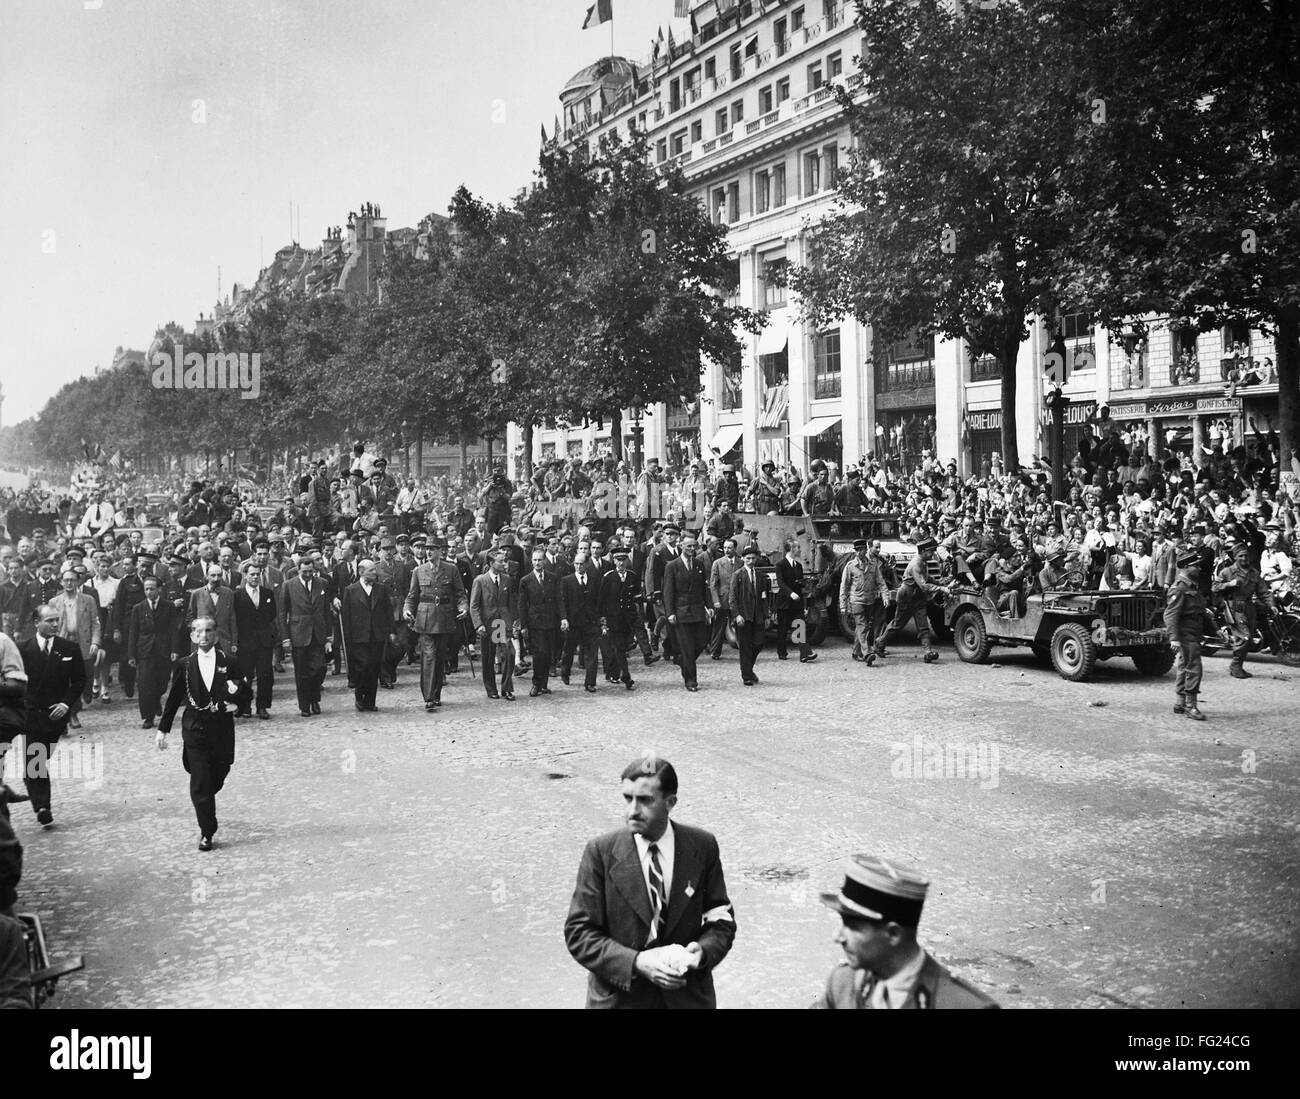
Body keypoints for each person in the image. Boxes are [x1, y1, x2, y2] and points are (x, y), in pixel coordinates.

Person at [563, 755, 736, 1009]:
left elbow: (721, 918)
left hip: (686, 1000)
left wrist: (702, 952)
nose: (632, 810)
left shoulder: (701, 846)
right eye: (627, 798)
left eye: (645, 800)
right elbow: (579, 933)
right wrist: (635, 962)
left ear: (670, 802)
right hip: (621, 1001)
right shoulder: (600, 852)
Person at [814, 854, 997, 1009]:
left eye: (853, 927)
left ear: (893, 934)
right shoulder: (843, 983)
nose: (837, 937)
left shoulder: (960, 1004)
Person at [156, 617, 251, 851]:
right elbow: (174, 698)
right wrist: (162, 729)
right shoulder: (184, 664)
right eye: (200, 631)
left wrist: (237, 707)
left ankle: (206, 797)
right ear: (192, 636)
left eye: (209, 631)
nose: (205, 635)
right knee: (200, 782)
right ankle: (207, 831)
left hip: (221, 730)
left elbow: (246, 694)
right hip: (194, 729)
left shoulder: (230, 661)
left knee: (219, 772)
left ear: (216, 635)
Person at [17, 605, 87, 827]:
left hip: (56, 717)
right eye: (50, 621)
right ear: (36, 622)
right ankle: (43, 807)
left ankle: (31, 780)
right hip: (31, 714)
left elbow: (79, 681)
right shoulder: (23, 649)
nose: (56, 625)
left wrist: (66, 704)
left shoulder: (69, 648)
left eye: (57, 620)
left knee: (39, 758)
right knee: (35, 759)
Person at [403, 536, 468, 712]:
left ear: (440, 551)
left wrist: (463, 607)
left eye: (432, 548)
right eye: (427, 548)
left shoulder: (451, 569)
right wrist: (407, 610)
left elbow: (460, 593)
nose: (429, 551)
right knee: (429, 656)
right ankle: (429, 697)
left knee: (440, 658)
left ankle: (436, 694)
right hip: (425, 620)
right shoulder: (419, 571)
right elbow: (412, 596)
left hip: (445, 618)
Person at [873, 538, 948, 664]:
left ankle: (928, 652)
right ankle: (879, 643)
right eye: (930, 551)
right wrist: (941, 588)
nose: (932, 554)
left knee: (923, 625)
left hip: (918, 597)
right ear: (923, 551)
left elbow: (926, 577)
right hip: (907, 596)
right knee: (897, 624)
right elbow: (923, 585)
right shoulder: (916, 564)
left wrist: (939, 582)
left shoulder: (923, 562)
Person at [662, 531, 715, 692]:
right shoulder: (672, 566)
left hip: (697, 611)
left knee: (701, 642)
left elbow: (704, 588)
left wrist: (710, 606)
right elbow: (668, 591)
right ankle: (691, 680)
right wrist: (670, 612)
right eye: (689, 546)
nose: (692, 549)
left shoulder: (699, 565)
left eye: (694, 546)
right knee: (687, 646)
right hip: (681, 612)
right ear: (681, 546)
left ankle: (680, 659)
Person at [1212, 542, 1275, 679]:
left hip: (1249, 608)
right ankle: (1235, 665)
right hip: (1234, 607)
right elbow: (1215, 587)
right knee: (1245, 637)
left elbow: (1263, 591)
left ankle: (1238, 666)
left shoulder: (1254, 573)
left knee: (1249, 637)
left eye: (1246, 555)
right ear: (1235, 557)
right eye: (1241, 556)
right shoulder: (1227, 571)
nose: (1244, 558)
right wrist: (1229, 584)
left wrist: (1272, 605)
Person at [124, 575, 180, 729]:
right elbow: (133, 633)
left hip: (163, 650)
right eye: (146, 589)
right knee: (145, 684)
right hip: (145, 651)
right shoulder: (138, 608)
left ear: (159, 589)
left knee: (162, 683)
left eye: (152, 589)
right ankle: (148, 717)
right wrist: (131, 655)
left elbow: (173, 630)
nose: (149, 592)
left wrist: (175, 649)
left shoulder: (168, 606)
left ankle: (156, 701)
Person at [340, 559, 395, 712]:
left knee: (374, 668)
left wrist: (391, 631)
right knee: (361, 668)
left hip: (377, 635)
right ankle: (359, 697)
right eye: (371, 570)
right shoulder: (350, 590)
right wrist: (348, 637)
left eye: (374, 570)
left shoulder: (381, 589)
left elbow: (388, 611)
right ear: (361, 571)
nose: (375, 573)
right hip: (359, 637)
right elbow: (347, 616)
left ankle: (370, 701)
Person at [279, 556, 330, 718]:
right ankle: (305, 705)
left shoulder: (322, 583)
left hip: (318, 633)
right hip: (298, 633)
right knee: (301, 672)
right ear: (298, 570)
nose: (308, 574)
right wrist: (286, 638)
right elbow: (282, 614)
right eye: (304, 572)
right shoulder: (288, 586)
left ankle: (314, 698)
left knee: (320, 668)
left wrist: (329, 635)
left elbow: (326, 611)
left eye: (311, 571)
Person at [50, 568, 100, 727]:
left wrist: (95, 642)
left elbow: (95, 623)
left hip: (82, 643)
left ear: (78, 582)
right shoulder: (54, 602)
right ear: (61, 582)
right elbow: (50, 625)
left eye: (72, 580)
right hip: (63, 643)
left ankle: (79, 703)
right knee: (65, 680)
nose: (69, 583)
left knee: (82, 678)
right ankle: (71, 715)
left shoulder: (88, 600)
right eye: (66, 580)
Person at [1165, 551, 1208, 720]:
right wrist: (1173, 638)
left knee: (1184, 665)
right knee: (1194, 667)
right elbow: (1170, 615)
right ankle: (1191, 706)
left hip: (1193, 629)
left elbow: (1198, 610)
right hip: (1185, 632)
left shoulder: (1191, 585)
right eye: (1195, 565)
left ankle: (1180, 702)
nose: (1198, 568)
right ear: (1184, 567)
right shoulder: (1180, 588)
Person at [469, 549, 516, 701]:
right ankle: (491, 688)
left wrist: (513, 623)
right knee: (488, 658)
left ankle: (507, 688)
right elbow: (474, 606)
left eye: (505, 561)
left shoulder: (507, 579)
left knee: (509, 653)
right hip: (488, 624)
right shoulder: (480, 581)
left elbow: (511, 604)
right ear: (491, 563)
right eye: (501, 561)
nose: (504, 564)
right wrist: (479, 625)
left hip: (502, 624)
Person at [232, 563, 278, 719]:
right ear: (245, 575)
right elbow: (235, 618)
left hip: (264, 640)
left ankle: (262, 706)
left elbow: (272, 614)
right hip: (245, 641)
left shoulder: (267, 593)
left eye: (257, 574)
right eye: (252, 574)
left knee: (265, 675)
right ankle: (244, 706)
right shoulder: (237, 595)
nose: (255, 577)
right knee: (245, 676)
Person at [517, 546, 561, 698]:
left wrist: (562, 618)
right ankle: (536, 683)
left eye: (540, 560)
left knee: (548, 654)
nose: (537, 563)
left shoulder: (552, 577)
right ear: (531, 561)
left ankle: (544, 684)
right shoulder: (526, 580)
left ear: (544, 561)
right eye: (534, 560)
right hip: (534, 623)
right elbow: (522, 605)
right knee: (539, 653)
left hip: (550, 622)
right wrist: (523, 626)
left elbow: (558, 600)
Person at [559, 547, 602, 692]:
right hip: (573, 623)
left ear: (587, 564)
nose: (578, 566)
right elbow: (563, 602)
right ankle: (565, 672)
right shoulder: (567, 581)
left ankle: (590, 682)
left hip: (590, 623)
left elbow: (598, 601)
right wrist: (564, 618)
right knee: (569, 650)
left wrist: (599, 618)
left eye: (581, 564)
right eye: (576, 564)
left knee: (592, 654)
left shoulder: (594, 580)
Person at [839, 538, 888, 664]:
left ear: (866, 550)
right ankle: (867, 653)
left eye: (862, 549)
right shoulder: (850, 566)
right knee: (863, 626)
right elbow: (844, 587)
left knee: (862, 628)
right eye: (858, 550)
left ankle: (856, 652)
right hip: (856, 601)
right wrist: (843, 605)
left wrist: (885, 596)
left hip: (869, 601)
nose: (860, 552)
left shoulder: (873, 565)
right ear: (855, 552)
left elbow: (881, 582)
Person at [598, 549, 641, 691]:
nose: (621, 563)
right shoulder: (608, 577)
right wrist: (603, 621)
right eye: (618, 560)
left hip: (628, 618)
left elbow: (636, 597)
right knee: (619, 647)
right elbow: (602, 600)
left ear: (627, 561)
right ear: (614, 561)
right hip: (614, 618)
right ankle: (626, 675)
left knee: (623, 646)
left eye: (624, 559)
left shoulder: (633, 576)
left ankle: (612, 673)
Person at [729, 543, 769, 686]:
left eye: (753, 558)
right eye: (748, 559)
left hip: (757, 616)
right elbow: (732, 598)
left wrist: (766, 615)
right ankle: (747, 675)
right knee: (745, 646)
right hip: (743, 617)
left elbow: (764, 596)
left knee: (759, 643)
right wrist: (737, 615)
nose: (751, 561)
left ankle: (749, 669)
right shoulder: (738, 575)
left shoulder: (760, 576)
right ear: (743, 559)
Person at [775, 538, 817, 662]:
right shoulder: (780, 565)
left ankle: (805, 654)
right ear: (791, 549)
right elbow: (780, 582)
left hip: (797, 603)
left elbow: (799, 584)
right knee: (782, 628)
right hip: (784, 602)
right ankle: (781, 652)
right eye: (797, 547)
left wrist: (805, 585)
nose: (799, 550)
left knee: (800, 626)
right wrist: (790, 593)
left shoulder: (798, 566)